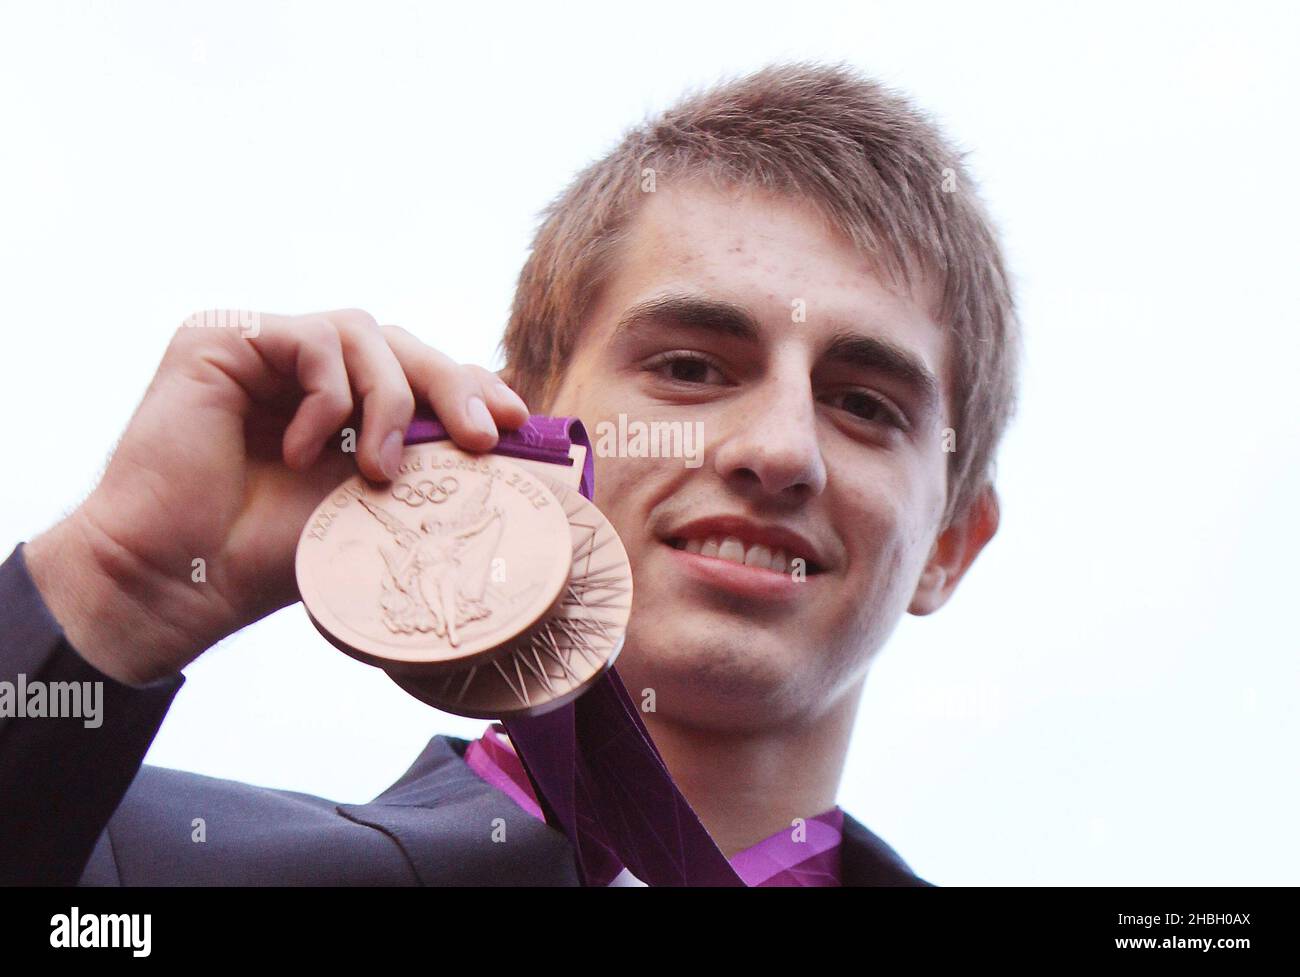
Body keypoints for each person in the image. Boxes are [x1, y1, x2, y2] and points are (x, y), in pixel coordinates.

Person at [0, 61, 1019, 886]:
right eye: (690, 367)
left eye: (864, 405)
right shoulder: (139, 868)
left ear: (947, 545)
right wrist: (114, 586)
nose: (781, 449)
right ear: (511, 430)